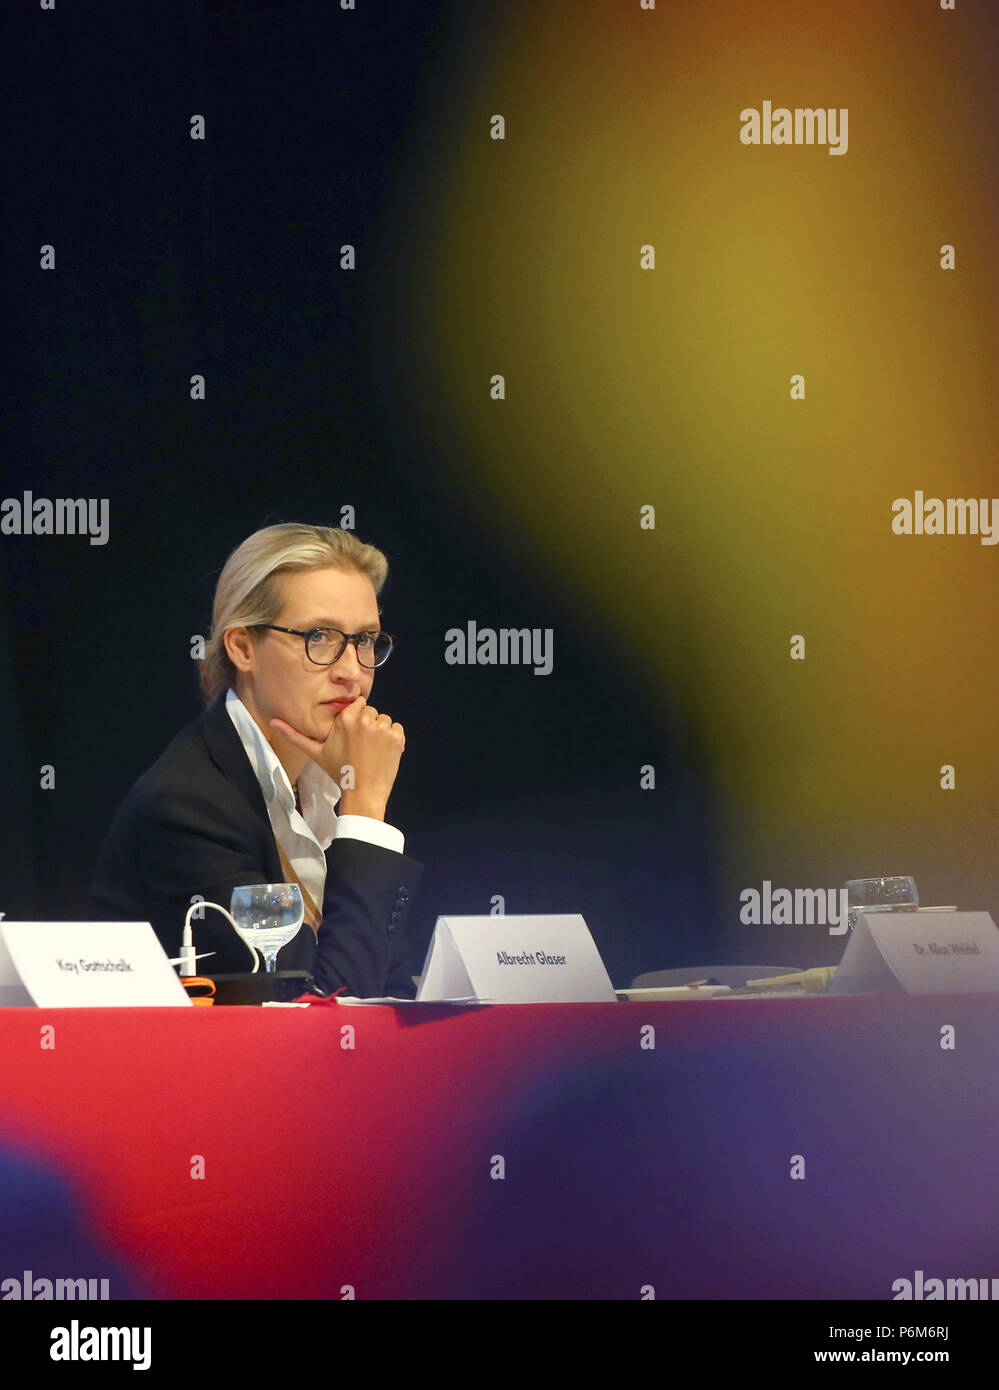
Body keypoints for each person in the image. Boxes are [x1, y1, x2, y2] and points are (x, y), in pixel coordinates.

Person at [90, 523, 423, 997]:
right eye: (320, 637)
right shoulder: (188, 806)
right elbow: (324, 1010)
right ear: (243, 647)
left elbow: (386, 986)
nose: (352, 672)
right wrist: (366, 809)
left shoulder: (328, 784)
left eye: (365, 640)